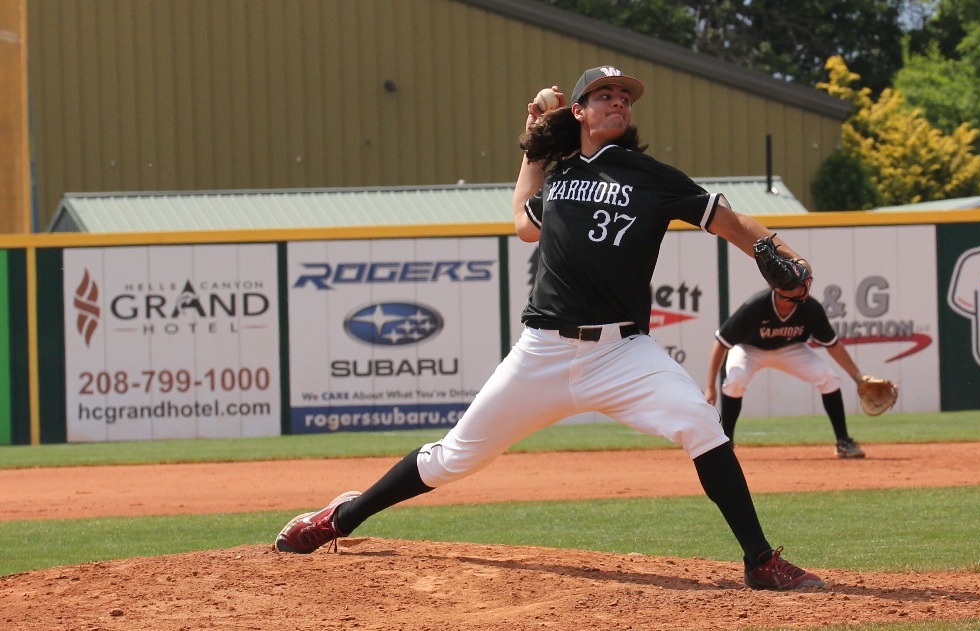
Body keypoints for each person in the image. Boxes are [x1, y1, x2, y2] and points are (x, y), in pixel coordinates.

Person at [275, 66, 825, 590]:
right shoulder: (560, 174)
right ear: (581, 110)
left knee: (701, 424)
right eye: (606, 95)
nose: (619, 102)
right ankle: (339, 519)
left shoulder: (650, 178)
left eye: (625, 98)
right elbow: (522, 225)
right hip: (542, 353)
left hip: (622, 353)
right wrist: (537, 139)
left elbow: (727, 220)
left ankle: (760, 562)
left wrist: (777, 253)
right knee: (453, 459)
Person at [704, 271, 867, 458]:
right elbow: (721, 343)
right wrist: (710, 386)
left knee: (828, 377)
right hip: (750, 349)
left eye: (794, 292)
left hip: (790, 348)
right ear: (775, 289)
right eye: (785, 293)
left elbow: (833, 345)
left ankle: (843, 442)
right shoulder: (755, 305)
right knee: (735, 380)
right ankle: (727, 443)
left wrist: (858, 377)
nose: (790, 298)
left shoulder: (811, 308)